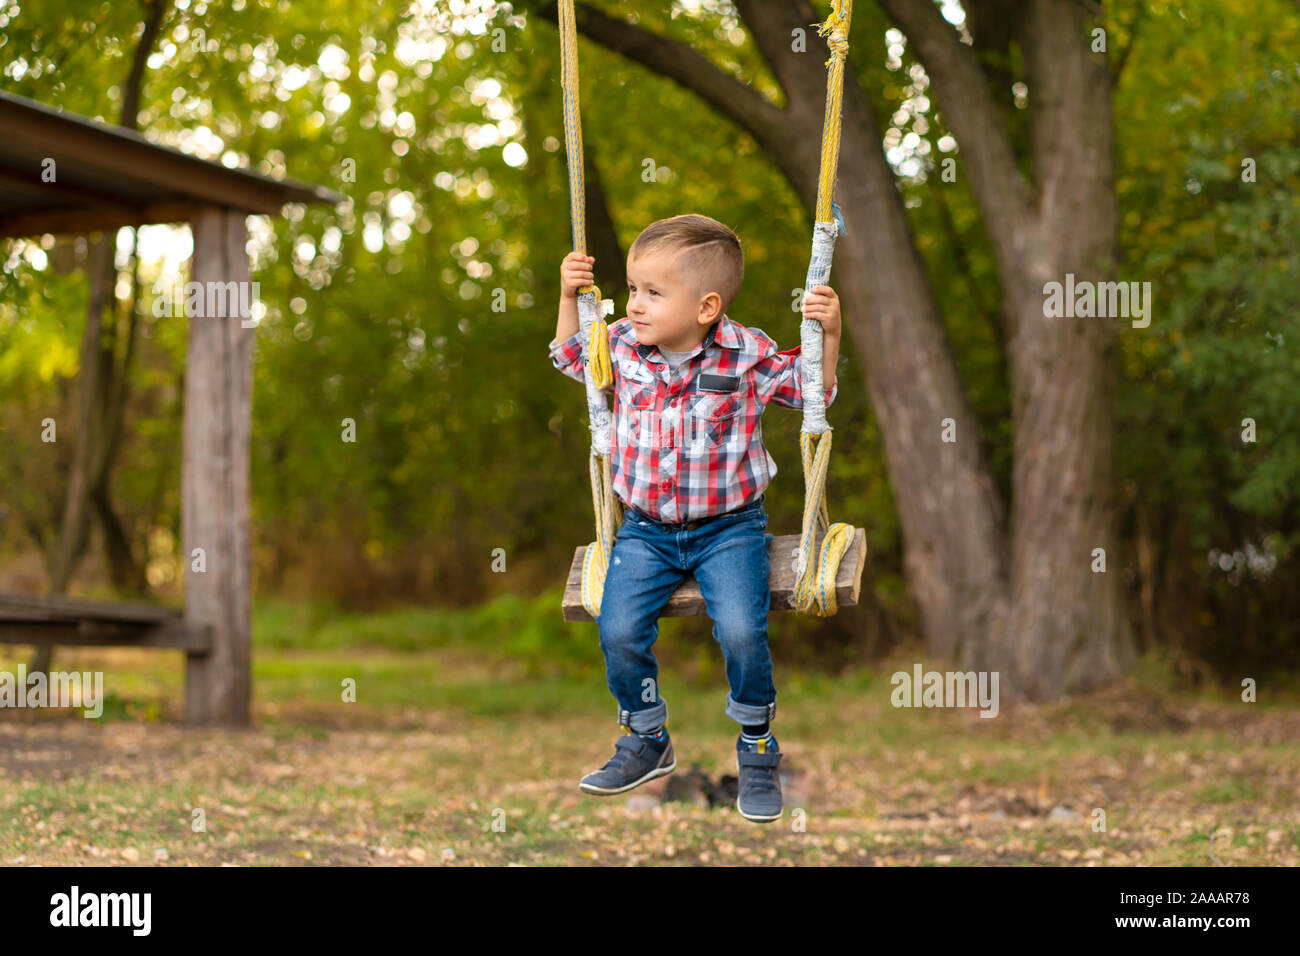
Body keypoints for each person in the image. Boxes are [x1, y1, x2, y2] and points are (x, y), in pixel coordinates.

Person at [548, 213, 841, 822]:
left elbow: (812, 391)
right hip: (646, 531)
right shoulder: (620, 346)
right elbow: (571, 358)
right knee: (620, 630)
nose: (635, 304)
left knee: (739, 630)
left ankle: (758, 747)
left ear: (707, 306)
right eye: (632, 288)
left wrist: (829, 335)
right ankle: (646, 738)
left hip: (728, 529)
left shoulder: (745, 355)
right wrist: (566, 296)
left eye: (653, 293)